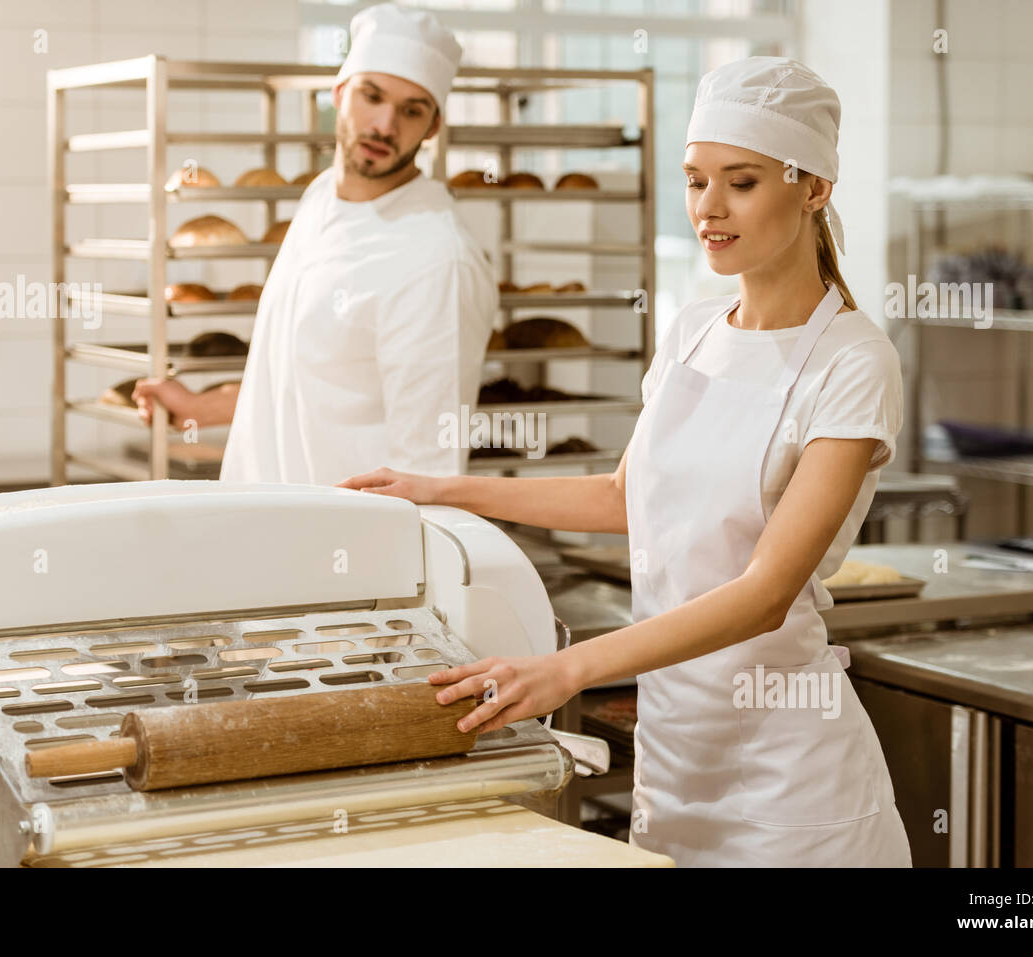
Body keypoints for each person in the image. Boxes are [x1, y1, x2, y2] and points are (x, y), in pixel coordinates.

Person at [340, 57, 913, 867]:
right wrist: (440, 487)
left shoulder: (853, 361)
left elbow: (762, 594)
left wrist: (568, 666)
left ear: (813, 187)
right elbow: (623, 496)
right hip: (674, 760)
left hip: (791, 788)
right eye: (694, 180)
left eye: (740, 182)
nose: (707, 209)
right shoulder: (694, 331)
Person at [133, 3, 496, 484]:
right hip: (262, 528)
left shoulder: (436, 259)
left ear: (432, 127)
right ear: (340, 93)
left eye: (411, 110)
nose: (385, 125)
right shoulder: (321, 197)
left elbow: (427, 467)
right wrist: (202, 407)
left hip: (344, 545)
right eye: (372, 96)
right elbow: (304, 376)